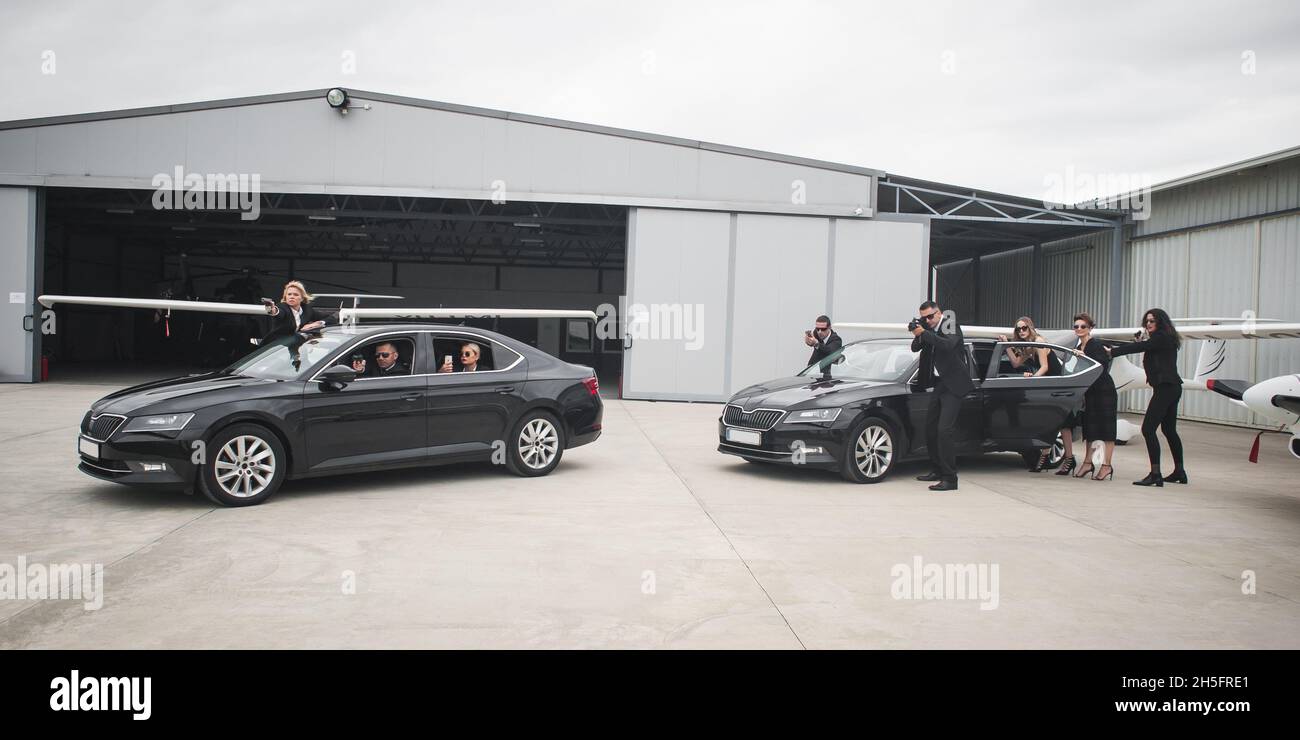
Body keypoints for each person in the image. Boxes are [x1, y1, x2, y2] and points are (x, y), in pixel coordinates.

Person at [1107, 308, 1186, 487]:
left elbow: (1140, 347)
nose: (1148, 324)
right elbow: (1147, 347)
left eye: (1152, 321)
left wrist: (1113, 352)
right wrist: (1139, 342)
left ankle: (1155, 474)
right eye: (1147, 321)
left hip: (1166, 389)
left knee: (1148, 429)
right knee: (1169, 430)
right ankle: (1180, 471)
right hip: (1171, 388)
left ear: (1160, 322)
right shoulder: (1164, 338)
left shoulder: (1161, 337)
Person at [910, 301, 973, 492]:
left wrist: (925, 333)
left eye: (930, 316)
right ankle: (937, 469)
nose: (928, 320)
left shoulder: (950, 325)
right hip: (939, 385)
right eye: (924, 317)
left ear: (939, 313)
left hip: (954, 385)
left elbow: (947, 345)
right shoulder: (927, 330)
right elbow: (915, 348)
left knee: (944, 431)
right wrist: (917, 332)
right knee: (930, 429)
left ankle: (950, 478)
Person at [997, 315, 1072, 474]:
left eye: (1024, 328)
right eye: (1018, 329)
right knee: (1049, 421)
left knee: (1063, 423)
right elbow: (1016, 363)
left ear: (1030, 328)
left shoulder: (1038, 341)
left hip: (1055, 383)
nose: (1021, 331)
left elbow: (1045, 367)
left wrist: (1033, 380)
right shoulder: (1028, 346)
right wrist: (1006, 345)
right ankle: (1045, 456)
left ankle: (1068, 458)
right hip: (1046, 384)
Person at [1070, 312, 1117, 481]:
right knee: (1090, 428)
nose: (1079, 329)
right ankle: (1088, 462)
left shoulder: (1094, 344)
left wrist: (1085, 357)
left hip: (1104, 390)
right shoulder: (1078, 347)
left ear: (1090, 328)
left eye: (1083, 326)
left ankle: (1106, 466)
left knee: (1107, 429)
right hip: (1090, 392)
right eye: (1076, 326)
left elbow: (1102, 365)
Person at [262, 280, 329, 343]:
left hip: (293, 344)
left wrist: (317, 323)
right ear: (285, 297)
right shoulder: (283, 306)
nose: (292, 297)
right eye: (289, 294)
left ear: (302, 298)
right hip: (274, 345)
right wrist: (272, 309)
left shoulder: (307, 310)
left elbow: (331, 317)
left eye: (295, 294)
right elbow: (278, 312)